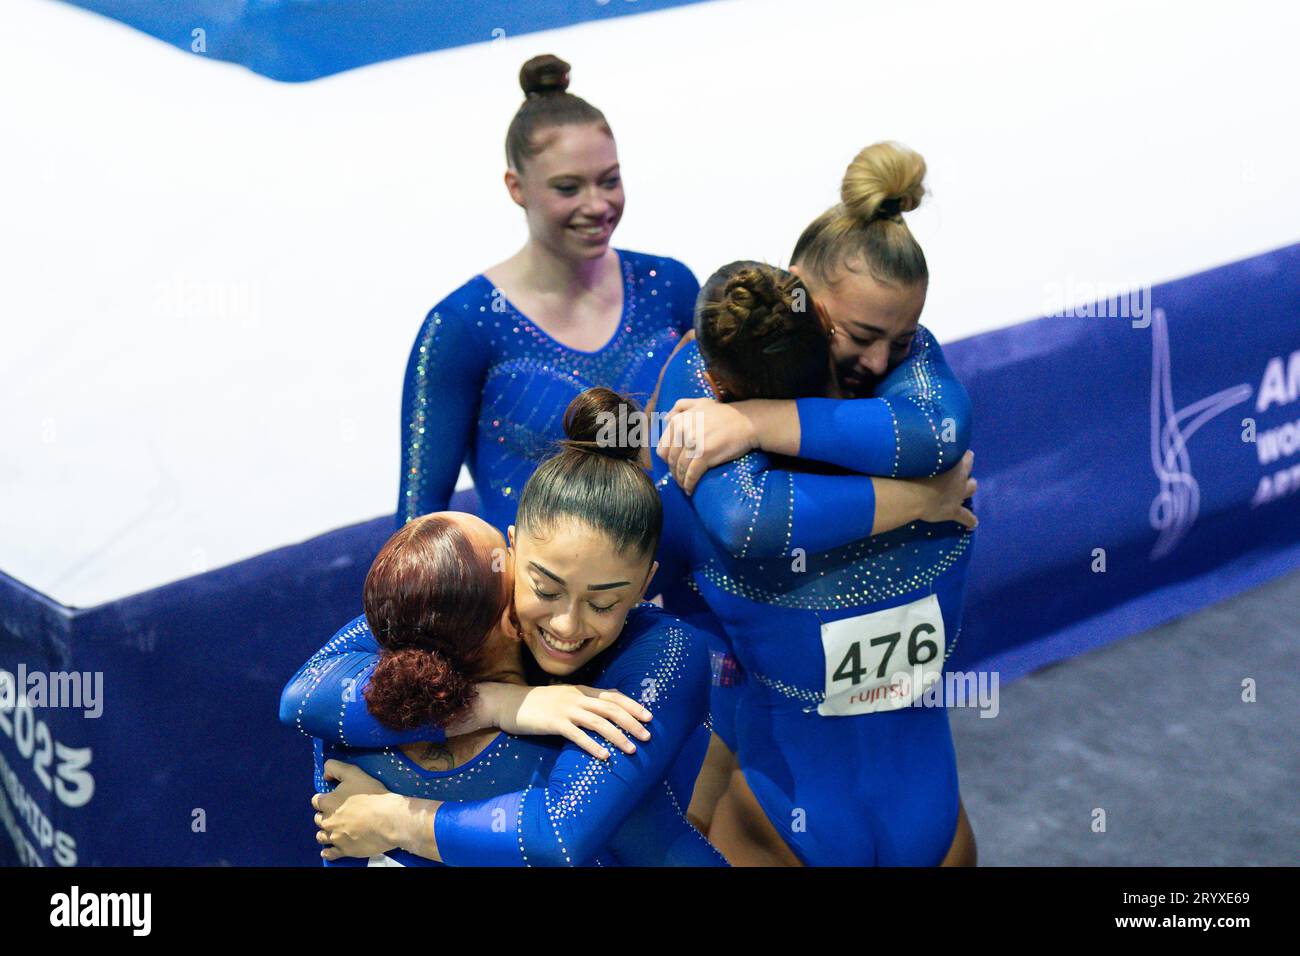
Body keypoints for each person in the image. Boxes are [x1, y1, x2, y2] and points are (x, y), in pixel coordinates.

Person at [650, 143, 980, 865]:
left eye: (900, 339)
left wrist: (756, 422)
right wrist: (922, 500)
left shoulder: (904, 365)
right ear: (800, 293)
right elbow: (750, 519)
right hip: (779, 798)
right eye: (859, 336)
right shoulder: (708, 371)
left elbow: (940, 430)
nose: (879, 361)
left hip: (922, 791)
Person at [286, 389, 725, 866]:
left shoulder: (664, 651)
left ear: (645, 584)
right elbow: (302, 697)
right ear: (513, 554)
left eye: (603, 603)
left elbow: (559, 835)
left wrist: (392, 820)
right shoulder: (473, 602)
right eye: (546, 589)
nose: (567, 625)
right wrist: (504, 704)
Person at [398, 53, 699, 534]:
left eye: (610, 180)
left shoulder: (669, 287)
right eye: (568, 188)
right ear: (516, 187)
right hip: (540, 582)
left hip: (687, 576)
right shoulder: (464, 327)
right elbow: (418, 522)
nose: (597, 205)